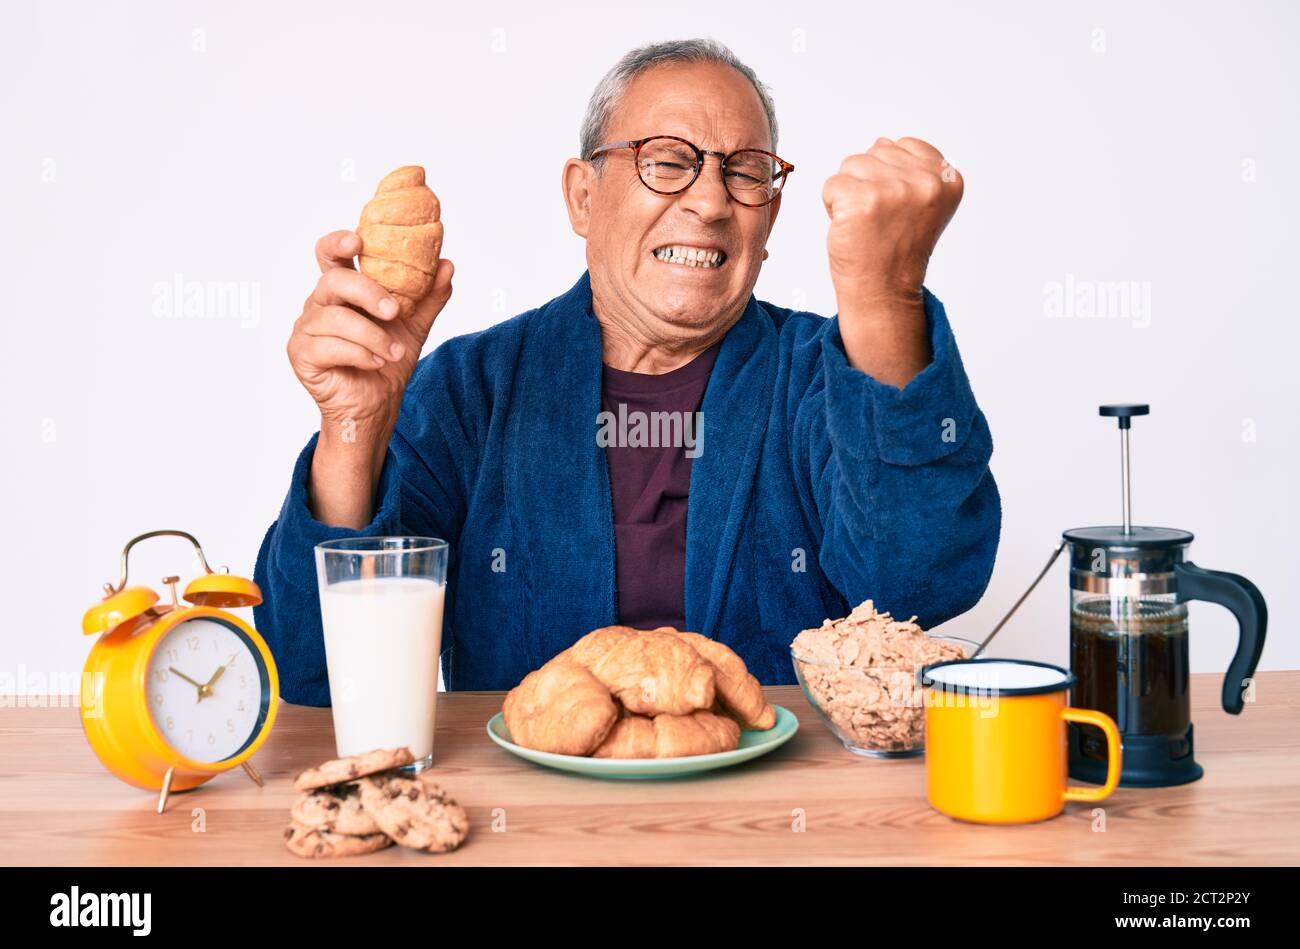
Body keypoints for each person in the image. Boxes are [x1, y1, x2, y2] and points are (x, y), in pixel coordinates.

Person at [254, 37, 1001, 705]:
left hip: (779, 824)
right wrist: (354, 426)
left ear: (771, 218)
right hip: (532, 832)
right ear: (584, 196)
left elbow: (918, 586)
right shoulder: (467, 389)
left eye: (746, 173)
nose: (710, 202)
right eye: (668, 161)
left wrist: (882, 297)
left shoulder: (820, 375)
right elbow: (316, 674)